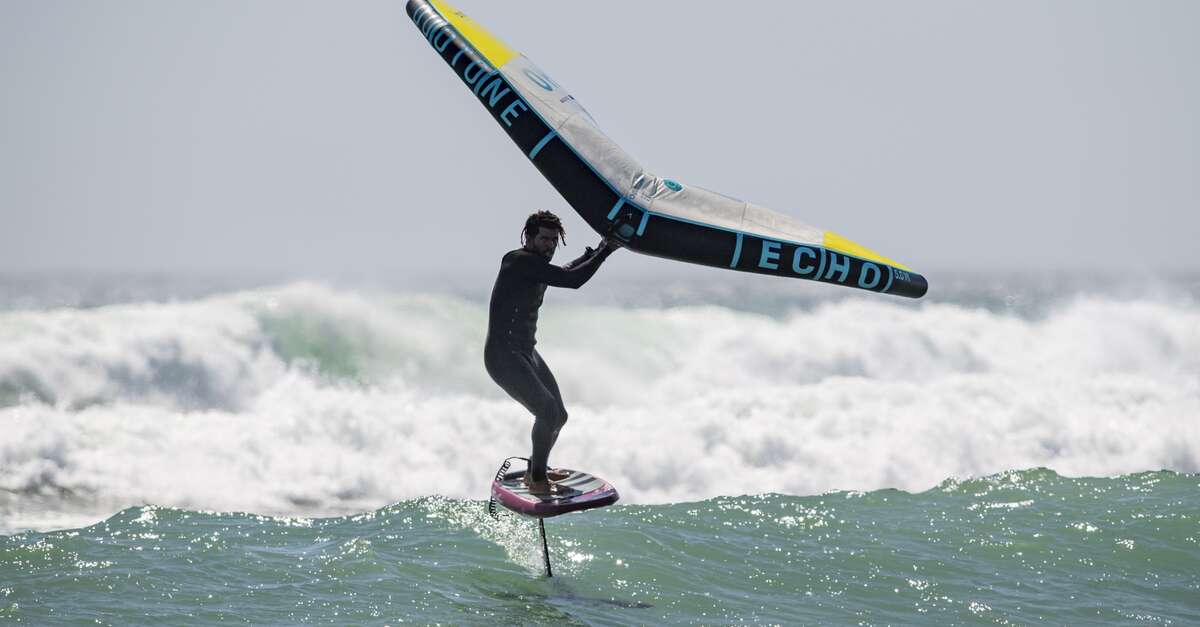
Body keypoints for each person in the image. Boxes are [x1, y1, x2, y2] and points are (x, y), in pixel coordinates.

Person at [484, 210, 620, 495]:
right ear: (529, 237)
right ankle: (536, 477)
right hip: (503, 355)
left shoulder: (536, 266)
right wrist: (606, 250)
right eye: (544, 239)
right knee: (546, 411)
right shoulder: (517, 261)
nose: (550, 245)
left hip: (526, 352)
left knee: (558, 415)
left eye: (554, 240)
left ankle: (538, 468)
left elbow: (564, 272)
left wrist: (591, 253)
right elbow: (572, 280)